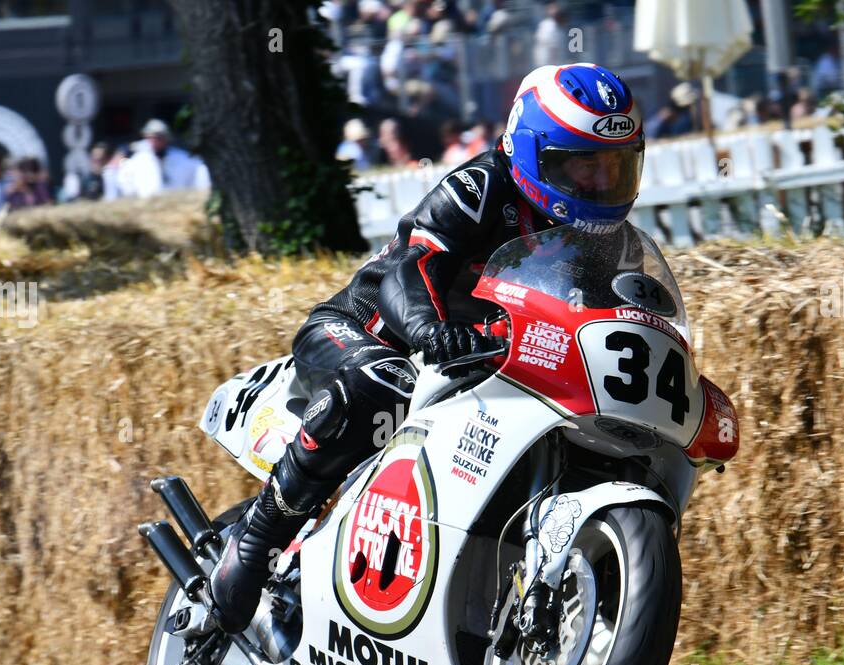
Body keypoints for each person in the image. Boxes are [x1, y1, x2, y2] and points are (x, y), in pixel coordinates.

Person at [206, 62, 647, 633]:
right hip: (366, 332)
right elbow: (409, 268)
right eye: (583, 165)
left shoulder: (613, 246)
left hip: (477, 364)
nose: (599, 183)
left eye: (615, 167)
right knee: (384, 382)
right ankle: (255, 543)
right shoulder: (480, 187)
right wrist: (429, 330)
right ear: (536, 152)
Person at [121, 118, 211, 198]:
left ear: (166, 138)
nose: (154, 142)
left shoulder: (183, 158)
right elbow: (126, 182)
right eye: (151, 138)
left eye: (159, 138)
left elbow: (199, 177)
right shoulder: (139, 160)